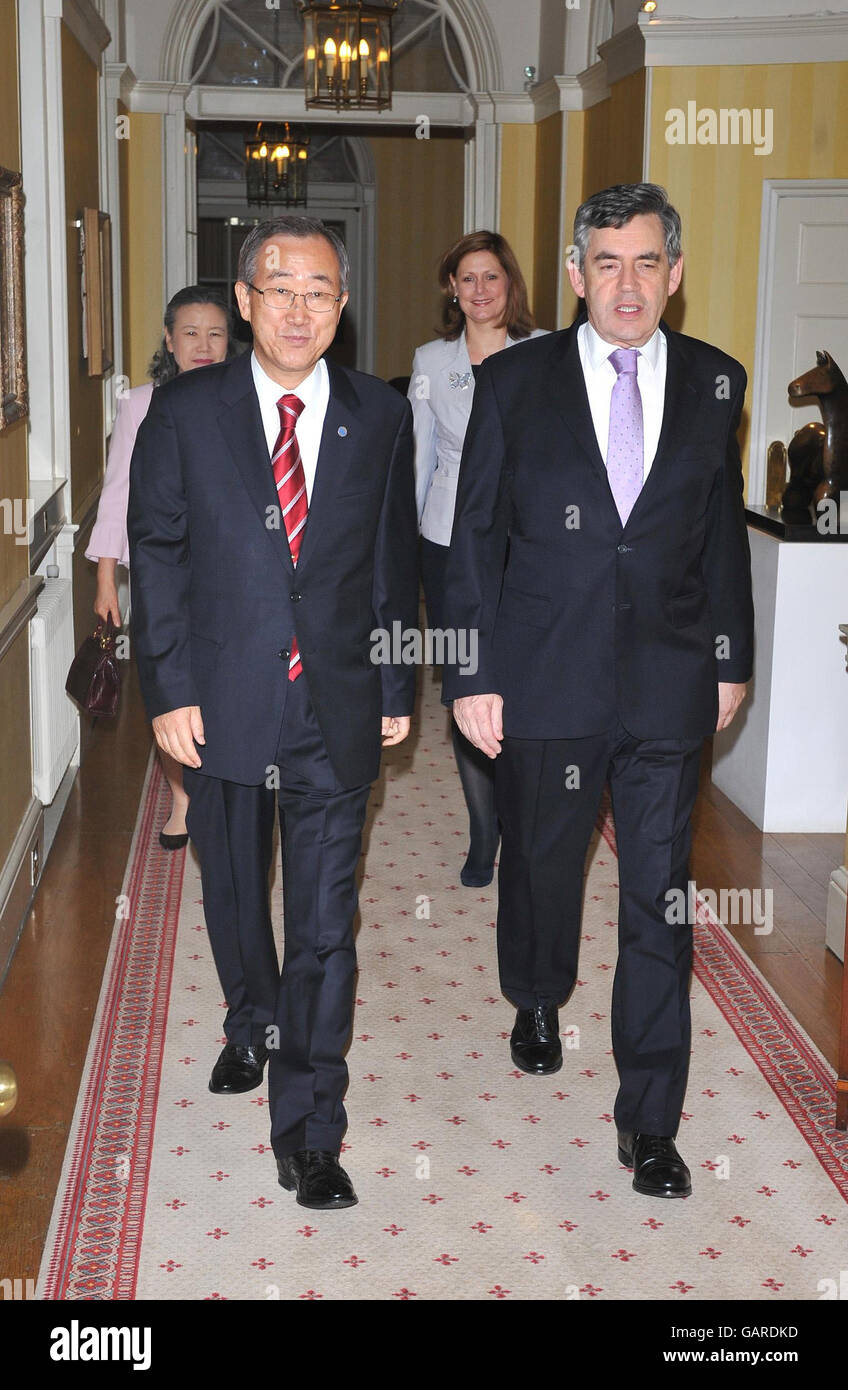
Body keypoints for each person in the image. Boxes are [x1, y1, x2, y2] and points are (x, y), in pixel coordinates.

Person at [442, 183, 754, 1200]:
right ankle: (534, 993)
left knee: (659, 901)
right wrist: (472, 673)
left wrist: (729, 656)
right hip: (543, 673)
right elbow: (472, 539)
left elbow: (720, 537)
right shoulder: (514, 381)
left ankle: (649, 1120)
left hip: (666, 682)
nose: (628, 283)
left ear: (673, 273)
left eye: (647, 262)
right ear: (575, 274)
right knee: (541, 860)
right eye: (607, 263)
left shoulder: (714, 381)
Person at [128, 214, 418, 1210]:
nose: (298, 310)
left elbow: (392, 562)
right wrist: (168, 688)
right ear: (245, 299)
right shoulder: (187, 410)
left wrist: (390, 683)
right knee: (236, 893)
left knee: (326, 923)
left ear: (342, 305)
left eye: (320, 291)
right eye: (278, 288)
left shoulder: (379, 413)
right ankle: (248, 1015)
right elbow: (157, 550)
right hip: (219, 703)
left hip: (334, 702)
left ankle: (309, 1127)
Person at [409, 232, 547, 886]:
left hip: (532, 542)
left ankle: (523, 818)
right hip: (448, 540)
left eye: (492, 277)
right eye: (468, 278)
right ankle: (482, 827)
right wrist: (403, 549)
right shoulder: (430, 363)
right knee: (468, 678)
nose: (481, 290)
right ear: (451, 288)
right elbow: (419, 458)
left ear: (509, 284)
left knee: (526, 680)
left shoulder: (546, 353)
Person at [86, 286, 235, 848]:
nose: (203, 344)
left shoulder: (252, 401)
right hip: (163, 574)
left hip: (231, 574)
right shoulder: (139, 406)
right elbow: (119, 493)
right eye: (190, 333)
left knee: (227, 685)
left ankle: (230, 785)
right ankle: (182, 799)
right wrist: (107, 577)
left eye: (215, 333)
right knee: (171, 685)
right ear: (170, 341)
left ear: (230, 341)